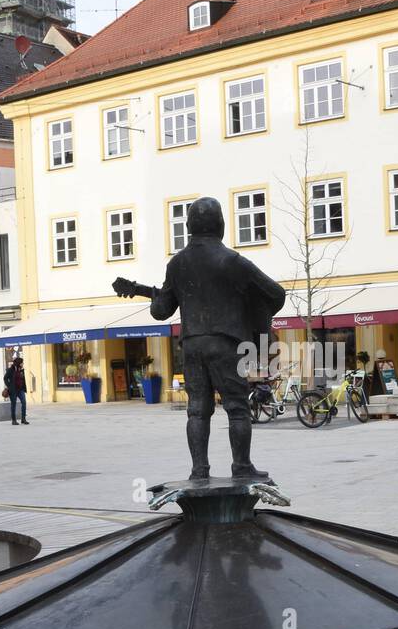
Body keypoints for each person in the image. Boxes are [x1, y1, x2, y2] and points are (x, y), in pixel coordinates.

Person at [113, 197, 286, 480]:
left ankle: (199, 470)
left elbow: (161, 310)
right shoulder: (233, 261)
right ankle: (241, 466)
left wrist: (154, 294)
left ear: (189, 227)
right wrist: (252, 314)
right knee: (238, 408)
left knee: (197, 411)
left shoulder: (177, 263)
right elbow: (275, 293)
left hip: (192, 344)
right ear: (221, 225)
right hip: (226, 342)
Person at [3, 355, 29, 425]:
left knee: (24, 402)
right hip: (13, 390)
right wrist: (9, 386)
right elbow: (5, 378)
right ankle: (13, 420)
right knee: (13, 404)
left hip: (20, 389)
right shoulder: (11, 369)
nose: (23, 364)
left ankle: (23, 419)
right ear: (19, 363)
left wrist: (24, 388)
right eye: (22, 362)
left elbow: (22, 379)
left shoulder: (21, 370)